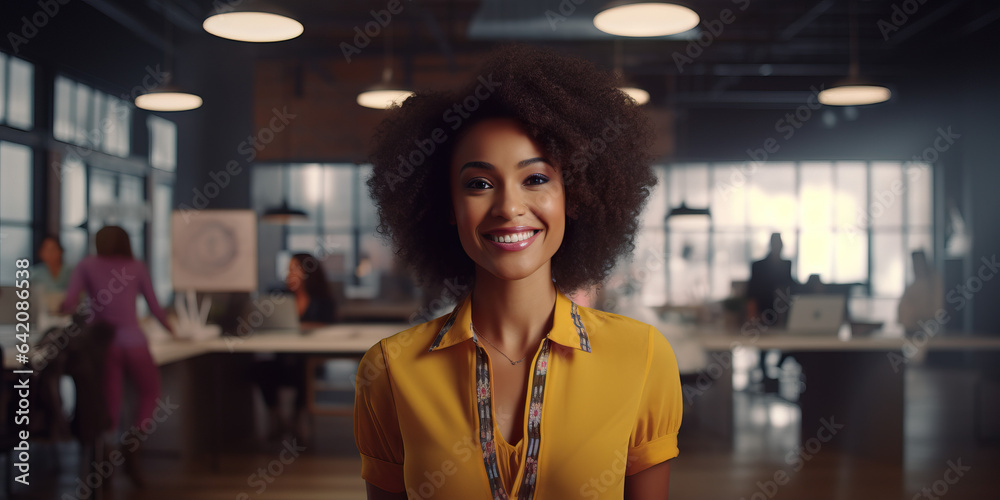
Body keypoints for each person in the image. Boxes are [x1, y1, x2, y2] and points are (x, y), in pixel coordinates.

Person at [355, 45, 682, 499]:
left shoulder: (643, 356)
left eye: (536, 179)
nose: (509, 207)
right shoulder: (390, 369)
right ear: (447, 205)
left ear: (577, 194)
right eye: (479, 184)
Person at [60, 225, 176, 488]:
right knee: (150, 392)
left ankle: (106, 457)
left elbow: (69, 303)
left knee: (111, 399)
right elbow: (156, 307)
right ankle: (132, 446)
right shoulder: (137, 267)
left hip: (103, 344)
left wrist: (57, 306)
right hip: (134, 341)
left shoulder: (86, 265)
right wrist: (173, 330)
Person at [254, 253, 336, 441]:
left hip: (308, 362)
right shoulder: (279, 296)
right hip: (282, 360)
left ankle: (297, 418)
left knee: (303, 368)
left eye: (295, 269)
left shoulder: (323, 300)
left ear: (308, 273)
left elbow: (329, 325)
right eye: (289, 269)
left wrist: (304, 327)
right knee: (260, 369)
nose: (290, 274)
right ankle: (277, 418)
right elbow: (270, 323)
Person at [746, 233, 797, 327]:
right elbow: (751, 292)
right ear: (770, 245)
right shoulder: (758, 266)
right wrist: (753, 316)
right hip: (763, 314)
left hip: (783, 315)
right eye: (775, 244)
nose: (777, 247)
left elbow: (792, 287)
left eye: (779, 244)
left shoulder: (786, 265)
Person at [898, 250, 943, 333]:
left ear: (924, 263)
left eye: (918, 263)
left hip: (926, 329)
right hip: (911, 329)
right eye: (914, 264)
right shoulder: (913, 287)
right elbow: (902, 312)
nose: (916, 267)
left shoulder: (933, 283)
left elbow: (936, 310)